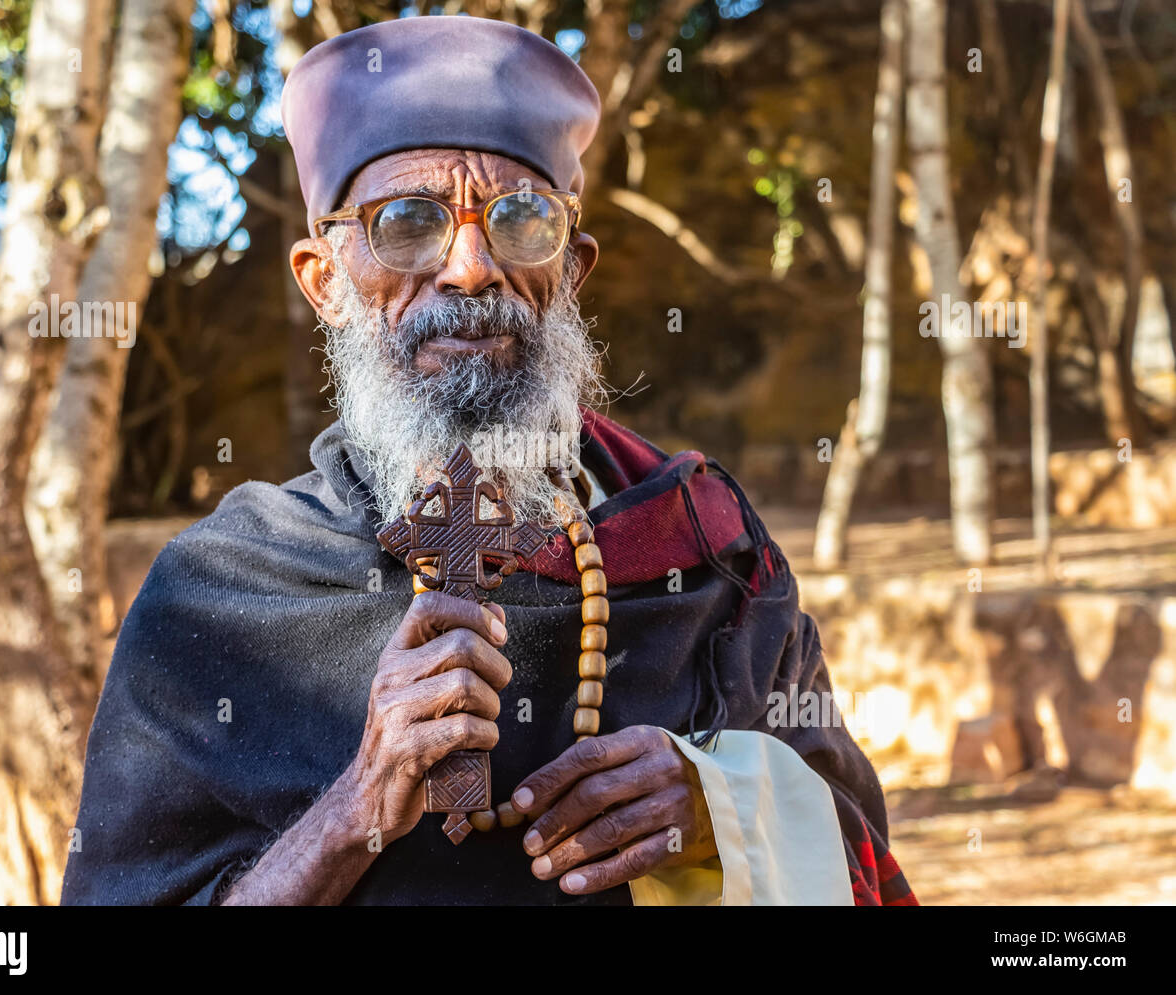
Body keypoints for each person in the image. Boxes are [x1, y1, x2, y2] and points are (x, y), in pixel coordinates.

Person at [61, 14, 916, 906]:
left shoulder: (705, 556)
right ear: (326, 281)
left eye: (519, 219)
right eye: (407, 223)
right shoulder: (220, 591)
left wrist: (722, 810)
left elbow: (855, 843)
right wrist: (352, 811)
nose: (470, 267)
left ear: (572, 270)